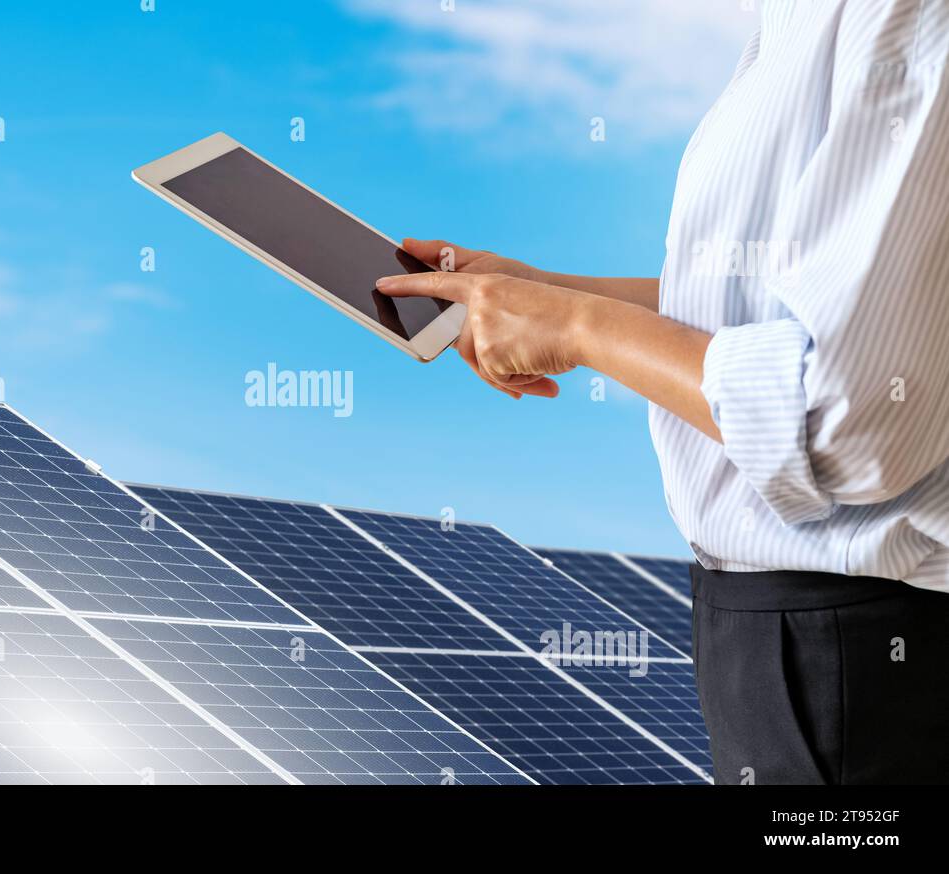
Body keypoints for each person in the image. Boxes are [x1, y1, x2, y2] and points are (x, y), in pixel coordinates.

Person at [377, 0, 949, 785]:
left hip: (858, 656)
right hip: (780, 637)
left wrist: (577, 326)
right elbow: (778, 310)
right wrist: (546, 294)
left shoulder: (903, 15)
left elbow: (846, 422)